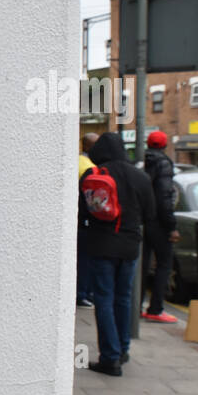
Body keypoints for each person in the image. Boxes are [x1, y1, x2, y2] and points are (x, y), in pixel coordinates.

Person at [79, 131, 156, 376]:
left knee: (103, 300)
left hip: (101, 245)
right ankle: (122, 350)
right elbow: (150, 213)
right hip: (130, 246)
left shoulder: (94, 175)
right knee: (123, 299)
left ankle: (109, 358)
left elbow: (84, 213)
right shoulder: (140, 177)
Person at [141, 130, 180, 323]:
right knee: (164, 264)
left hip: (144, 220)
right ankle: (156, 309)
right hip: (159, 222)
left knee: (143, 264)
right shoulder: (164, 163)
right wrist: (171, 226)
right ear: (165, 146)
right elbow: (165, 197)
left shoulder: (143, 162)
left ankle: (137, 306)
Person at [76, 132, 99, 308]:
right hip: (84, 220)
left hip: (77, 218)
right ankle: (82, 294)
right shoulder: (89, 167)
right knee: (85, 259)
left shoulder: (76, 161)